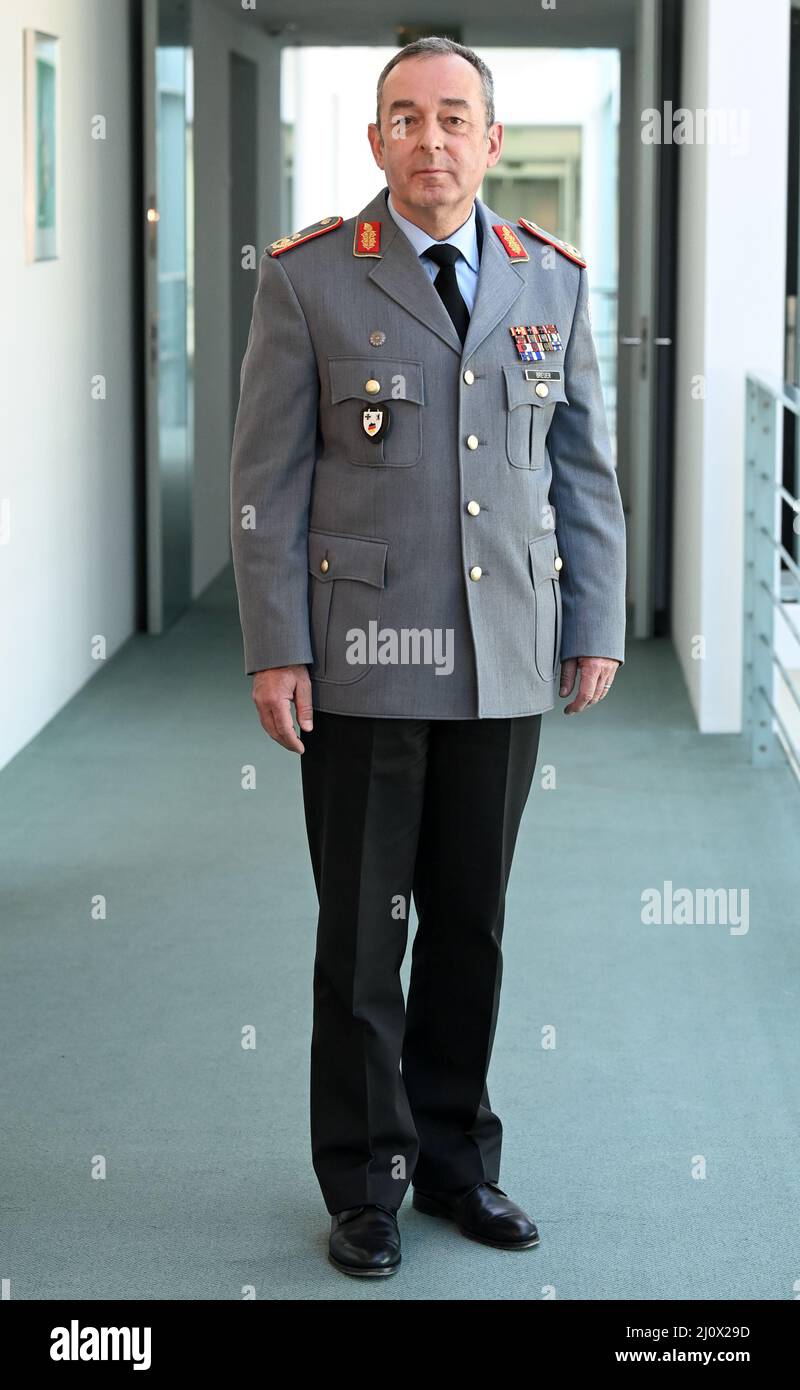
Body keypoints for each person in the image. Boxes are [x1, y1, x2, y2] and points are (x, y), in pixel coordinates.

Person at [230, 36, 626, 1278]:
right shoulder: (308, 282)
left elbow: (582, 473)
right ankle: (365, 1182)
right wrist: (275, 649)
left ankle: (457, 1164)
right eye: (404, 117)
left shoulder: (547, 281)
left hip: (502, 656)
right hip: (357, 662)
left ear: (492, 141)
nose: (430, 138)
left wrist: (595, 621)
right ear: (374, 141)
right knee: (360, 935)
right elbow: (267, 479)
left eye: (454, 117)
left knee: (471, 924)